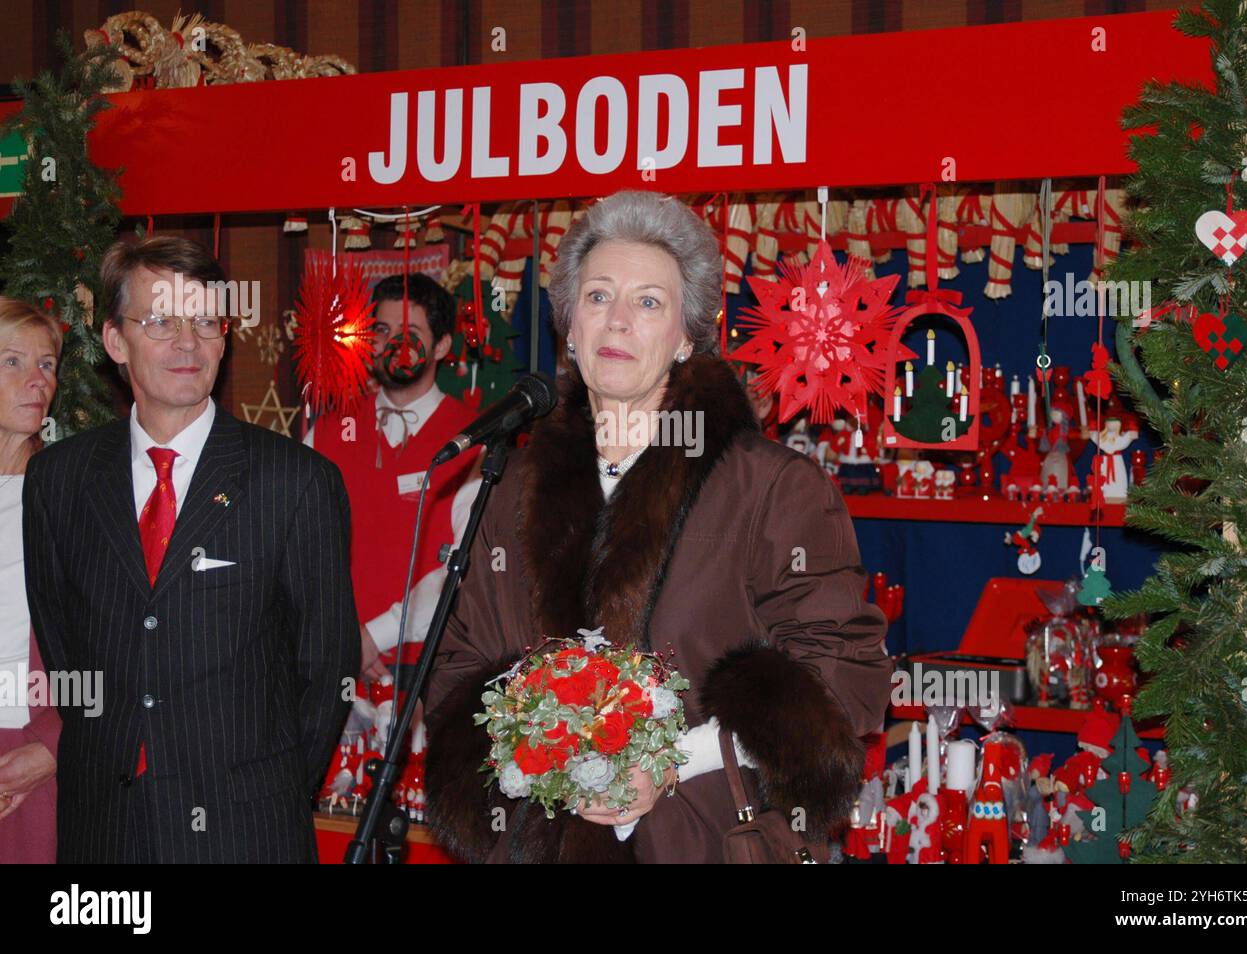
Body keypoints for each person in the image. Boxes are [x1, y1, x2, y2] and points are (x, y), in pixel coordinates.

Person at [421, 190, 893, 863]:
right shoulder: (510, 490)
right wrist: (538, 748)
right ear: (570, 329)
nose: (617, 321)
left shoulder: (772, 488)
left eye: (648, 303)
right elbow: (456, 668)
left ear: (684, 339)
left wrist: (673, 757)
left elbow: (846, 678)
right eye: (597, 297)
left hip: (708, 842)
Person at [23, 236, 360, 863]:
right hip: (103, 828)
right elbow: (63, 641)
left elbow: (328, 668)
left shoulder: (294, 481)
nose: (188, 342)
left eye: (206, 320)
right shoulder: (59, 480)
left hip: (245, 831)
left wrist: (272, 792)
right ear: (115, 342)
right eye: (161, 322)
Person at [305, 273, 481, 687]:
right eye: (383, 330)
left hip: (427, 669)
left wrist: (372, 636)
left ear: (440, 346)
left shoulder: (474, 440)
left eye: (411, 333)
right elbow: (297, 549)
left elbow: (464, 565)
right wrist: (338, 636)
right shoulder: (330, 429)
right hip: (330, 660)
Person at [0, 297, 62, 863]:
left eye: (46, 364)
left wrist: (54, 745)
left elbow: (122, 638)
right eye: (13, 361)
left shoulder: (75, 498)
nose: (35, 380)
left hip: (28, 745)